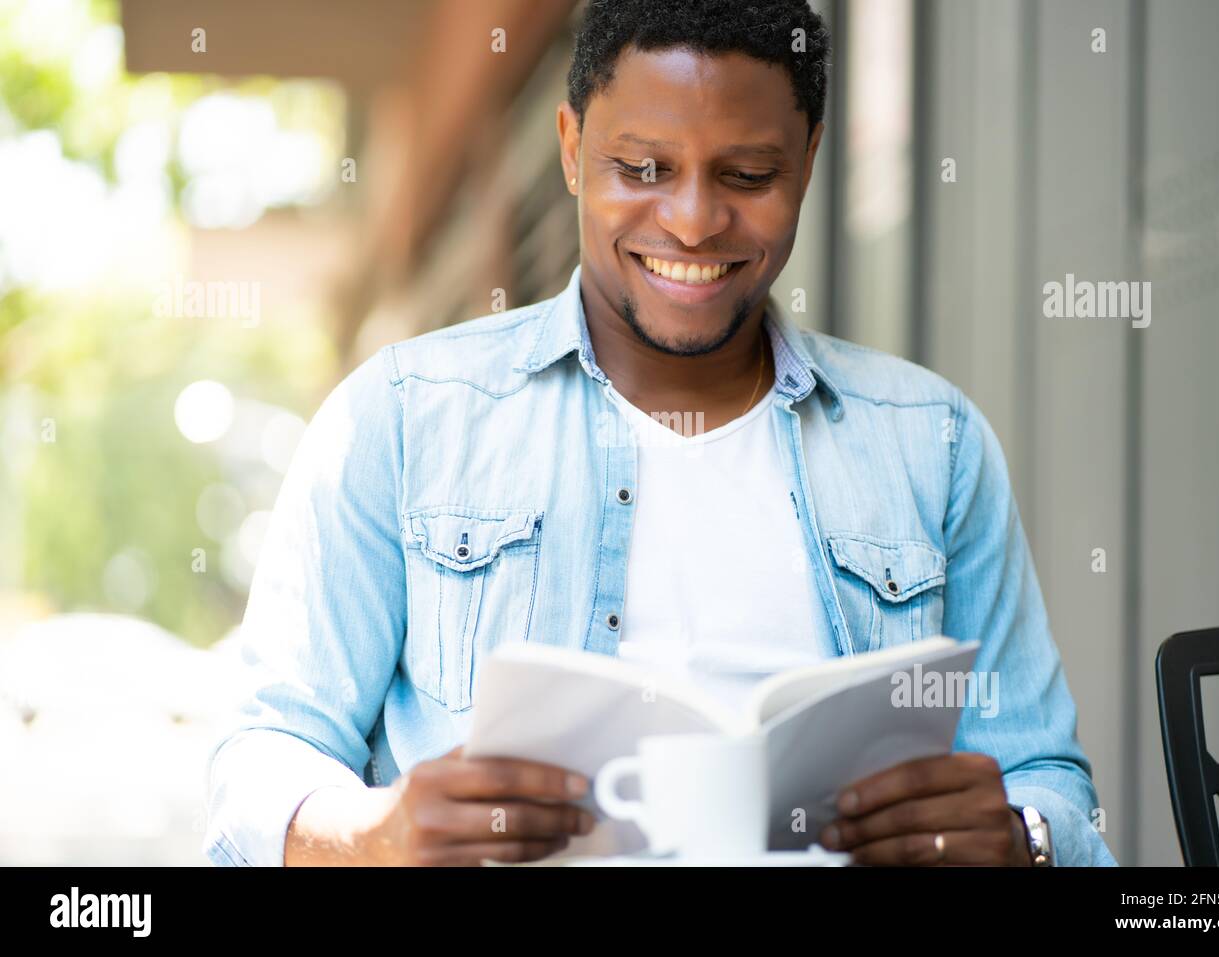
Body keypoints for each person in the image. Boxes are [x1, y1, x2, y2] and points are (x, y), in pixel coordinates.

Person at [202, 0, 1117, 867]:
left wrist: (1020, 833)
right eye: (641, 169)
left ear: (809, 158)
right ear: (570, 148)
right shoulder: (401, 418)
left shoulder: (934, 443)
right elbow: (263, 752)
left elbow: (1045, 776)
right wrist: (378, 831)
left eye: (749, 175)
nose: (691, 220)